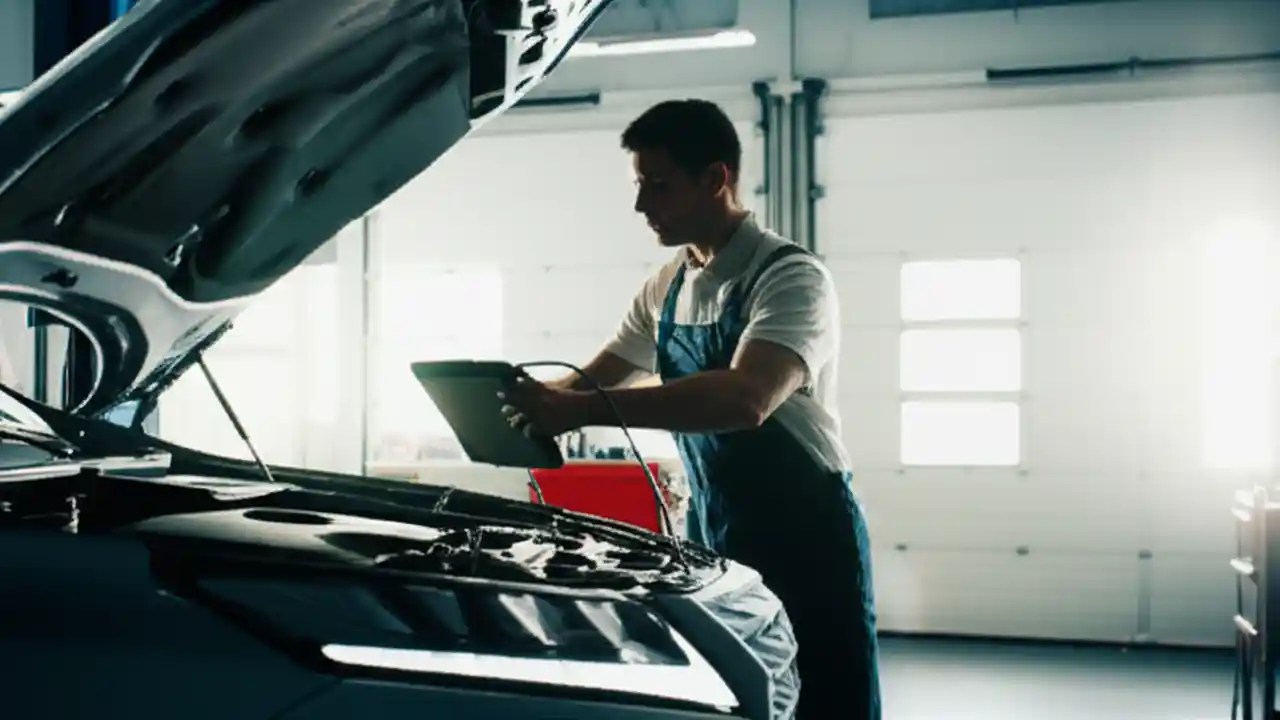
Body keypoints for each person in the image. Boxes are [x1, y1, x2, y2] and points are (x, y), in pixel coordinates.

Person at [500, 98, 881, 719]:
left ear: (715, 179)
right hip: (715, 524)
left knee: (824, 693)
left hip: (806, 531)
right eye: (639, 185)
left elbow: (746, 398)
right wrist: (523, 399)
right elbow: (593, 380)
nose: (642, 205)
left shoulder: (787, 277)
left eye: (658, 185)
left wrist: (578, 411)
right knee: (733, 693)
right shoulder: (668, 284)